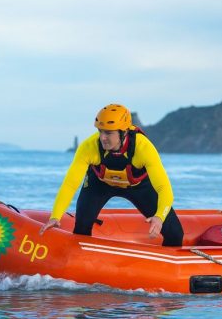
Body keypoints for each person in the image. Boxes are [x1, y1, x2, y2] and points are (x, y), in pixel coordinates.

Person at [39, 103, 184, 246]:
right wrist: (55, 216)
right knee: (82, 226)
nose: (102, 137)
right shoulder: (88, 147)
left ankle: (163, 267)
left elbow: (164, 188)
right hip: (99, 184)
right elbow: (70, 185)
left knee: (175, 233)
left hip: (138, 187)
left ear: (124, 132)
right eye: (100, 131)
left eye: (108, 132)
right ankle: (83, 264)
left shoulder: (143, 148)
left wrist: (159, 217)